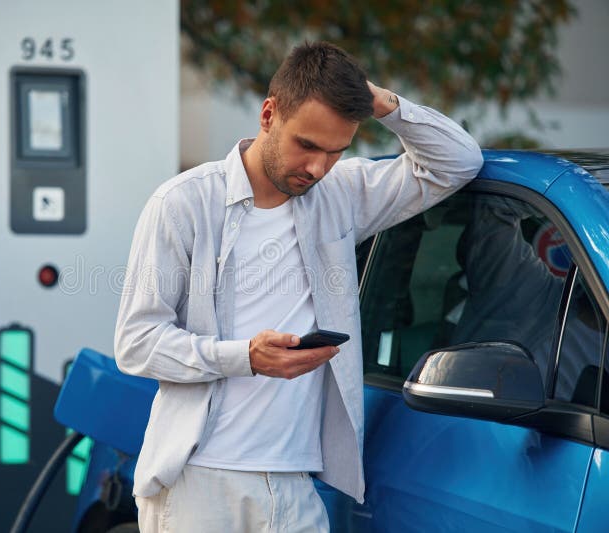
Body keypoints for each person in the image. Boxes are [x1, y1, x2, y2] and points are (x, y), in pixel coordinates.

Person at [115, 41, 483, 532]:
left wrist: (379, 102)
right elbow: (136, 344)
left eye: (335, 152)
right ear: (269, 114)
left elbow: (457, 162)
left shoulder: (341, 196)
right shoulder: (183, 204)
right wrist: (244, 356)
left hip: (294, 484)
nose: (316, 168)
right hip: (198, 481)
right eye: (307, 145)